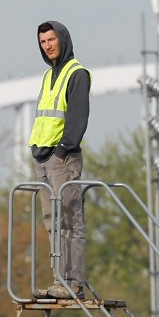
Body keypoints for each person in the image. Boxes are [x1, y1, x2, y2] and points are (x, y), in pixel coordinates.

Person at [29, 20, 91, 298]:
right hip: (43, 157)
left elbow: (77, 117)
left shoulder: (76, 73)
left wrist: (63, 150)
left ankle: (73, 283)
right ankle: (59, 282)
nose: (48, 45)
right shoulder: (47, 75)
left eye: (51, 40)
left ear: (62, 39)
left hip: (62, 158)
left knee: (69, 220)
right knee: (52, 221)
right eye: (43, 42)